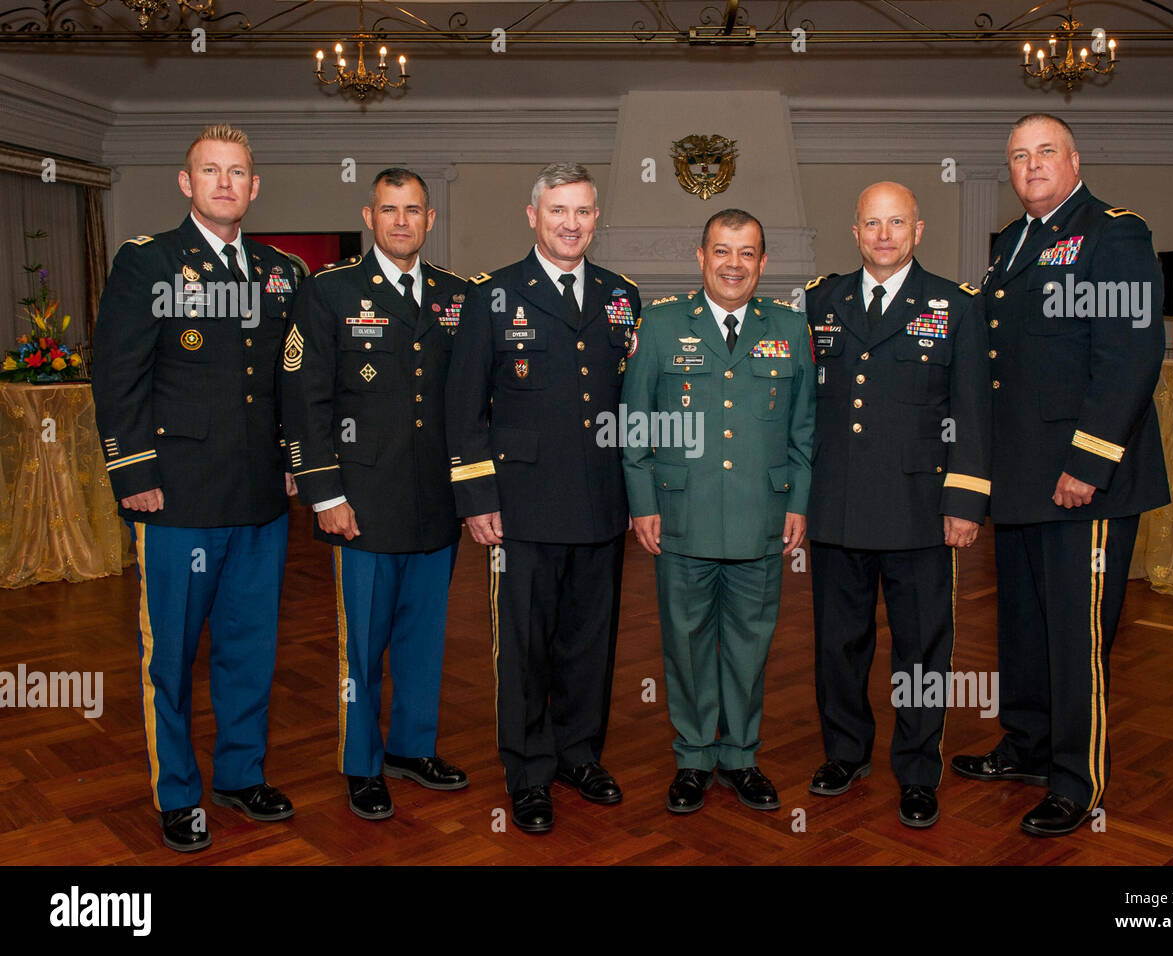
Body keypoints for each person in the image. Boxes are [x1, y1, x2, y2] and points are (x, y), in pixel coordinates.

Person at [951, 113, 1169, 836]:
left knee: (1077, 639)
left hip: (1083, 483)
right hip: (1020, 481)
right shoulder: (1013, 243)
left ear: (1075, 160)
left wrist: (1089, 462)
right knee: (1024, 627)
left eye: (1045, 151)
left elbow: (1129, 355)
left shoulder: (1115, 232)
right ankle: (1028, 745)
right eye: (1018, 155)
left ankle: (1077, 781)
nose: (1031, 164)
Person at [92, 124, 297, 852]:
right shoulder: (149, 263)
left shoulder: (280, 272)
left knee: (250, 648)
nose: (223, 183)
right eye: (209, 171)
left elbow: (283, 383)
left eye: (237, 172)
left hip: (258, 501)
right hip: (175, 499)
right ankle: (178, 792)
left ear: (253, 186)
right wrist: (134, 473)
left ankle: (241, 775)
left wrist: (295, 461)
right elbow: (118, 376)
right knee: (171, 655)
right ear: (186, 183)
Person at [445, 163, 640, 834]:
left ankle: (578, 754)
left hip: (601, 499)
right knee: (525, 643)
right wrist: (475, 496)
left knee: (590, 640)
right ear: (533, 216)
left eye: (583, 211)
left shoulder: (621, 296)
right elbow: (464, 405)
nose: (571, 223)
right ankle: (529, 770)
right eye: (558, 210)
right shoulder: (493, 295)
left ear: (594, 218)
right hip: (522, 504)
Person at [280, 168, 469, 821]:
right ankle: (361, 763)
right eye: (389, 209)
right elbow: (306, 399)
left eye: (413, 210)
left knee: (424, 635)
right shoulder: (331, 292)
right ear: (370, 215)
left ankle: (412, 747)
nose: (400, 221)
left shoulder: (455, 296)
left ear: (429, 220)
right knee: (360, 643)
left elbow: (470, 397)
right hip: (358, 501)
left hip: (435, 498)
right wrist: (323, 491)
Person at [803, 182, 991, 828]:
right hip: (837, 505)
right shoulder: (819, 301)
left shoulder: (955, 307)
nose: (884, 235)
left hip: (920, 508)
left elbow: (972, 411)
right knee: (837, 644)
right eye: (872, 224)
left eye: (896, 223)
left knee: (922, 649)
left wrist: (964, 501)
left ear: (919, 230)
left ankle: (917, 768)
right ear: (855, 232)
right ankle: (846, 752)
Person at [622, 208, 814, 815]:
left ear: (763, 262)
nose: (734, 264)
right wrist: (642, 504)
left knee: (751, 643)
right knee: (685, 642)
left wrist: (798, 505)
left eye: (747, 253)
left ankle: (740, 756)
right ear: (701, 257)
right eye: (722, 252)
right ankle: (694, 757)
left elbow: (804, 431)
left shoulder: (789, 327)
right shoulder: (658, 325)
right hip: (681, 514)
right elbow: (635, 426)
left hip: (763, 515)